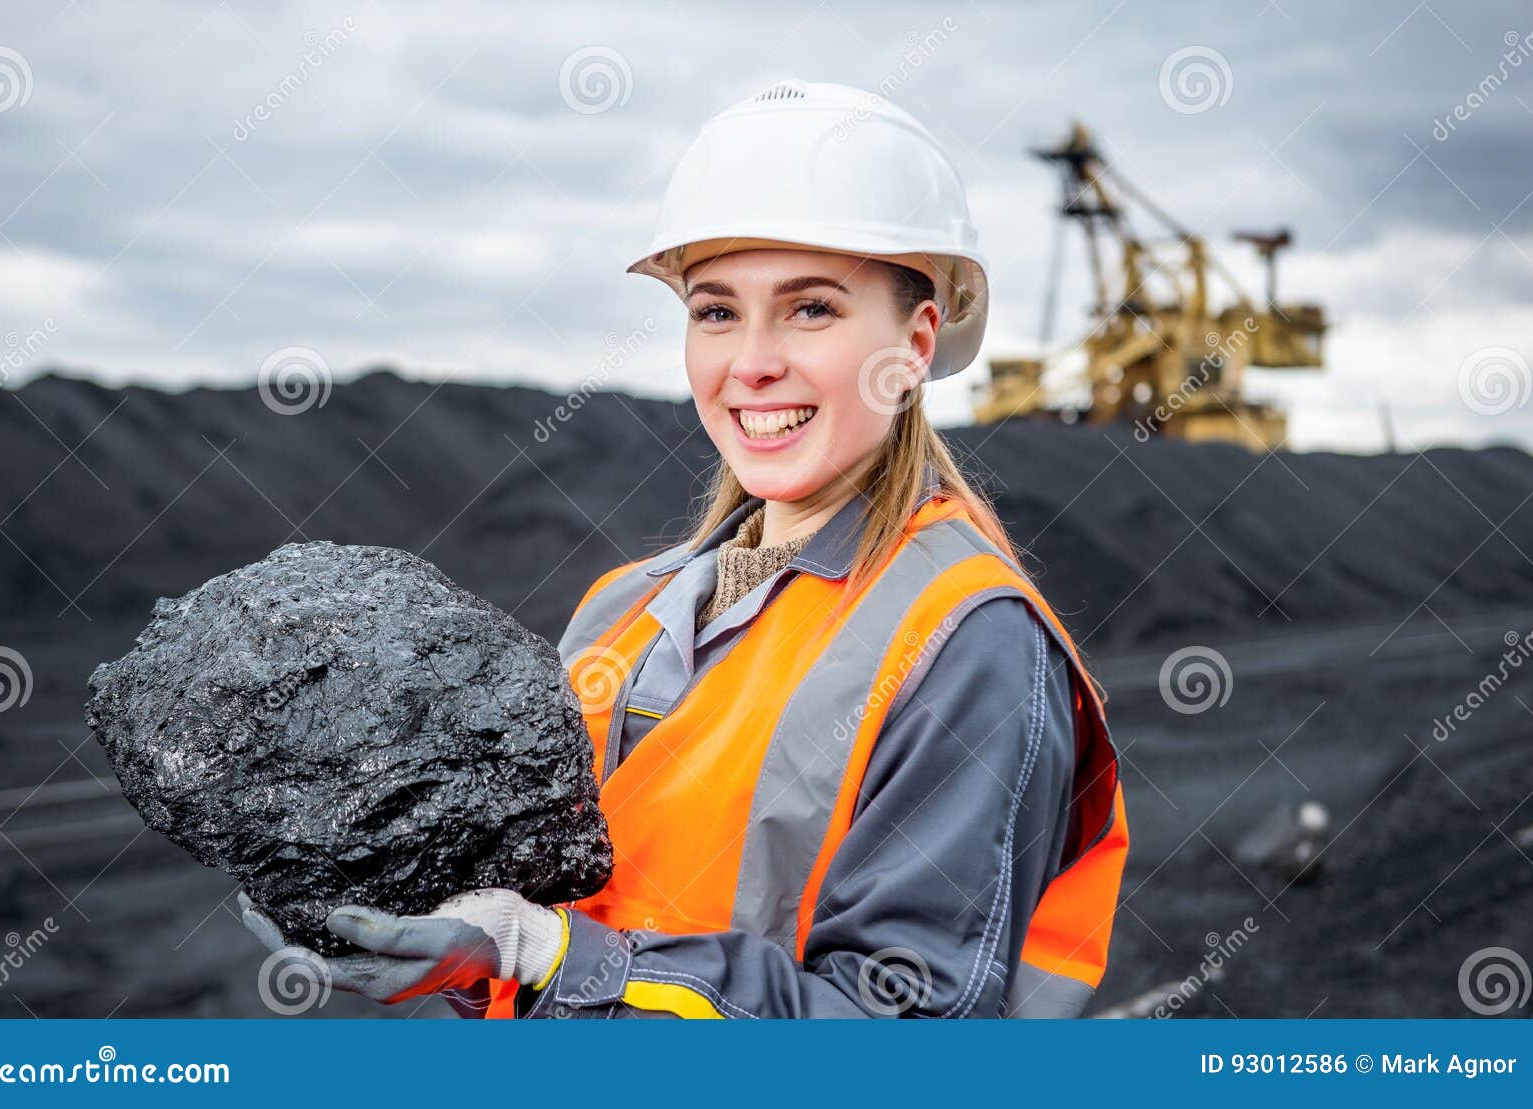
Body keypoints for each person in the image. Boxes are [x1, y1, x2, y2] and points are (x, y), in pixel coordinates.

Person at [241, 79, 1128, 1019]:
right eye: (715, 312)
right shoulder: (621, 609)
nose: (751, 361)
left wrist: (548, 955)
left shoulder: (965, 638)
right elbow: (558, 935)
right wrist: (474, 949)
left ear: (914, 344)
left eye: (811, 308)